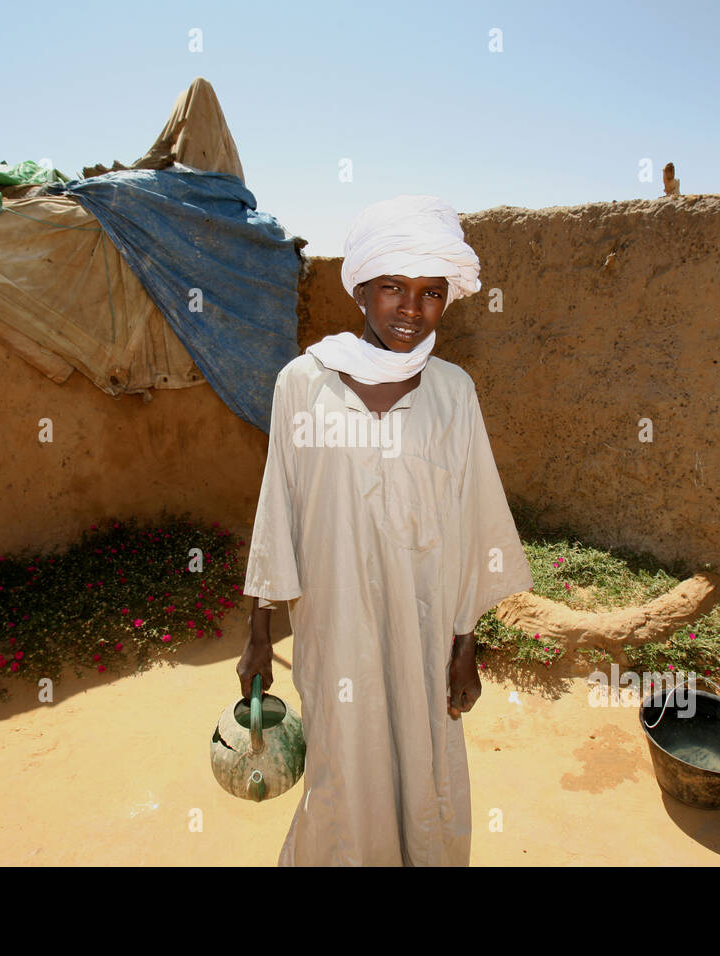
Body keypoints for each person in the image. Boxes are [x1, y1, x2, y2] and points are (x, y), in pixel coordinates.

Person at [237, 194, 533, 866]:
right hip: (332, 625)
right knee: (344, 762)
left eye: (431, 293)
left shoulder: (453, 392)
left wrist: (465, 643)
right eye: (394, 288)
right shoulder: (301, 385)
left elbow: (473, 516)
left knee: (425, 761)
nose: (412, 310)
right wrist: (259, 633)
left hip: (426, 627)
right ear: (361, 288)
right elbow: (276, 507)